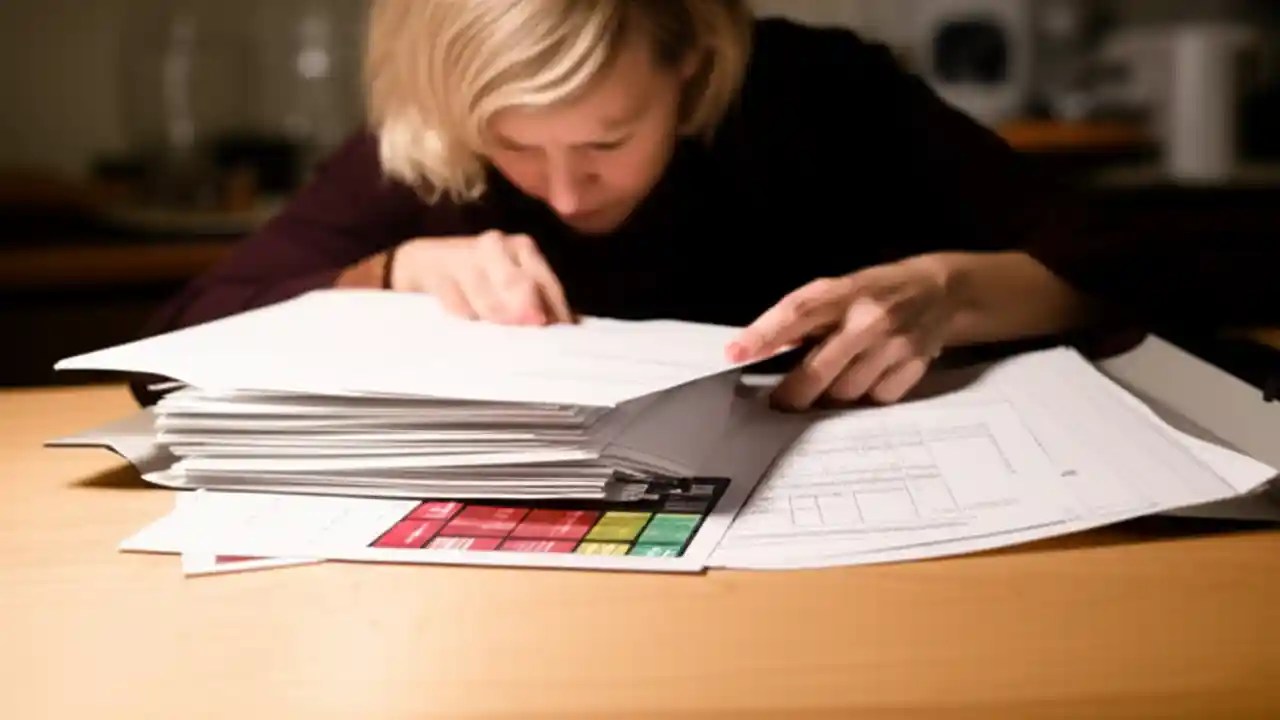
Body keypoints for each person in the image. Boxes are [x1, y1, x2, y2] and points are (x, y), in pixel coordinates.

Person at [133, 0, 1115, 411]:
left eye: (607, 139)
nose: (562, 191)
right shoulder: (429, 150)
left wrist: (957, 291)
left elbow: (1134, 265)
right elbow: (171, 347)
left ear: (689, 66)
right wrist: (384, 273)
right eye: (514, 145)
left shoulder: (814, 94)